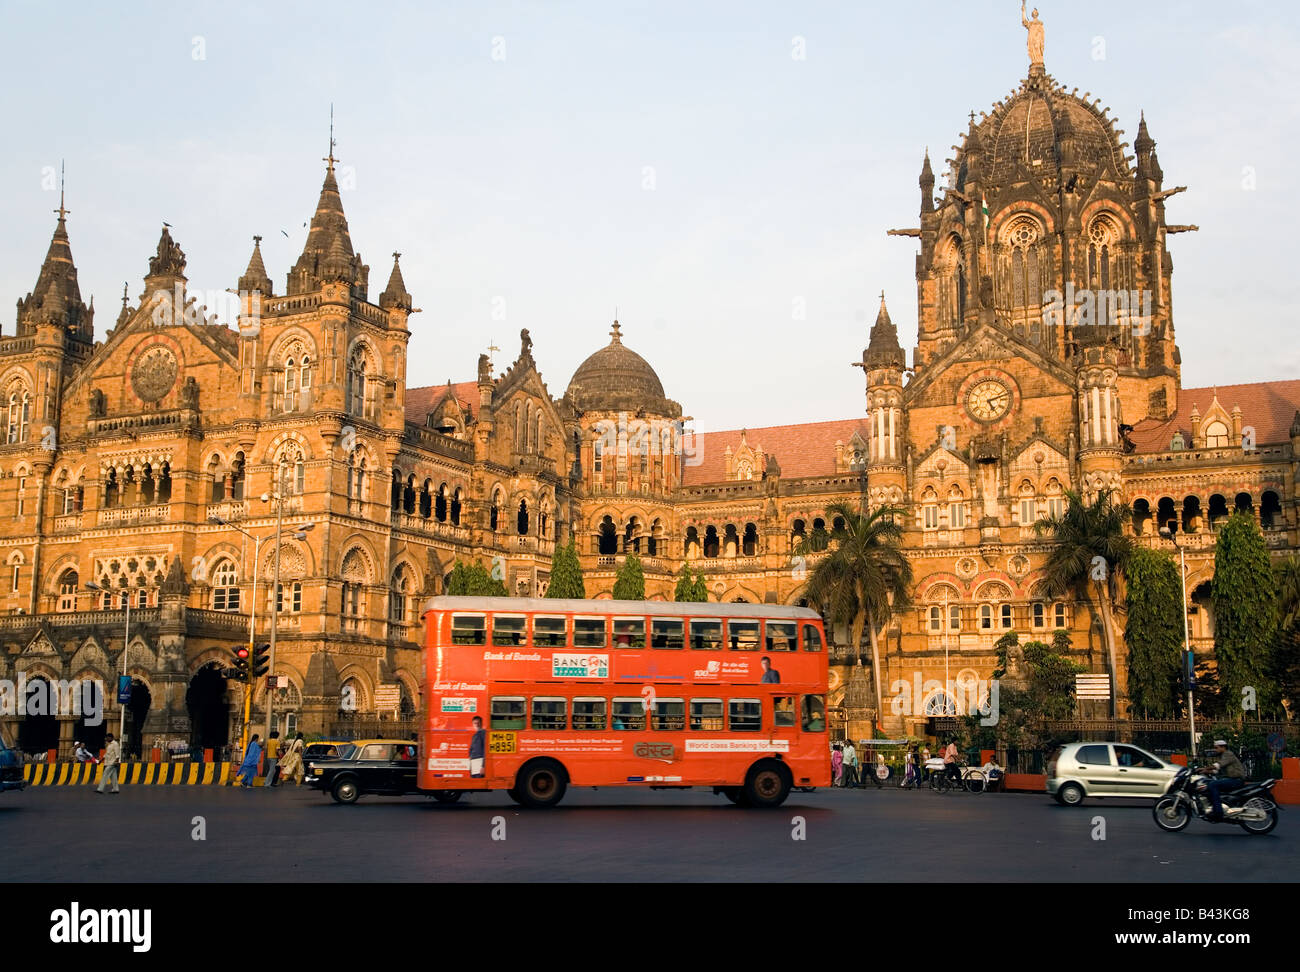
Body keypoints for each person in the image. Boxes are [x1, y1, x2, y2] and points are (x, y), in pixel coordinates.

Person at [1204, 739, 1246, 820]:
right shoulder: (1223, 756)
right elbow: (1217, 770)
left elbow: (1219, 765)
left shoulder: (1228, 754)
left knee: (1213, 785)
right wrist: (1206, 771)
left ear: (1223, 747)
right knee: (1211, 783)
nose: (1215, 750)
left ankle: (1218, 811)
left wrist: (1205, 768)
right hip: (1231, 779)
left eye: (1217, 748)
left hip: (1236, 780)